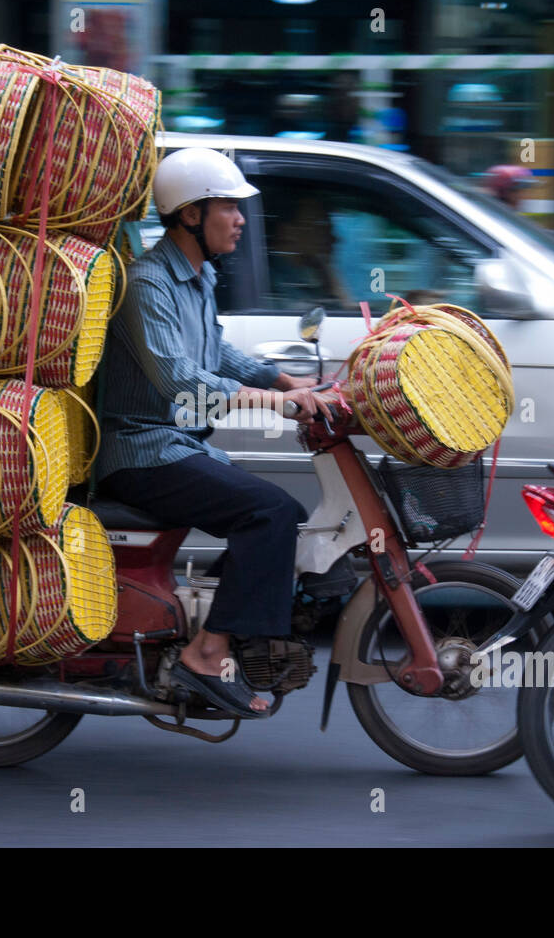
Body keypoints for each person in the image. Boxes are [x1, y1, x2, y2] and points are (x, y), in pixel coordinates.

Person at [95, 147, 336, 717]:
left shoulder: (197, 278)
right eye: (229, 207)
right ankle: (207, 654)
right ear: (190, 215)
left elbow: (217, 352)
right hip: (141, 450)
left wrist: (288, 378)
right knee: (268, 513)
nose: (241, 220)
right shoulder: (149, 285)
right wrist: (280, 404)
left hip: (177, 445)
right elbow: (183, 385)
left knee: (287, 517)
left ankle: (217, 630)